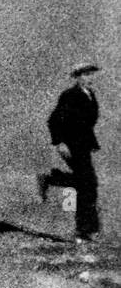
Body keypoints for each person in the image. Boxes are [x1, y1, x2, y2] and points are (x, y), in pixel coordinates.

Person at [39, 63, 102, 243]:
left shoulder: (90, 95)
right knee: (88, 184)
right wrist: (59, 142)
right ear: (77, 77)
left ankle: (51, 178)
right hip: (72, 145)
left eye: (92, 74)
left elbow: (87, 123)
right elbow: (53, 120)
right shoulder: (70, 95)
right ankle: (85, 230)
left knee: (87, 184)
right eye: (86, 74)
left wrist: (90, 141)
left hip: (84, 145)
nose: (90, 78)